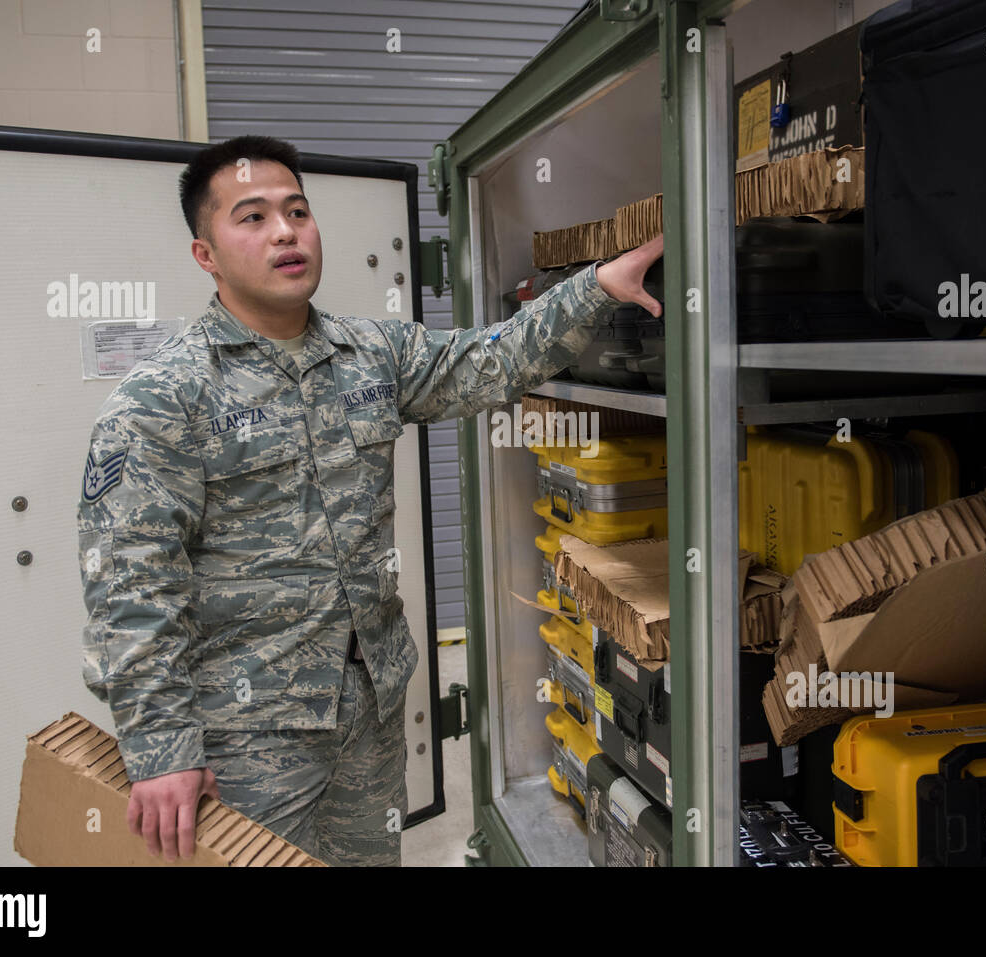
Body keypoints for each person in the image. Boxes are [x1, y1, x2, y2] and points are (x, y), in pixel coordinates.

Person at [77, 134, 664, 866]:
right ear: (206, 254)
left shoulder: (371, 355)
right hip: (249, 734)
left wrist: (596, 285)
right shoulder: (163, 398)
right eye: (252, 218)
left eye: (297, 210)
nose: (286, 231)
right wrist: (162, 747)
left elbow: (491, 360)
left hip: (371, 707)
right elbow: (130, 583)